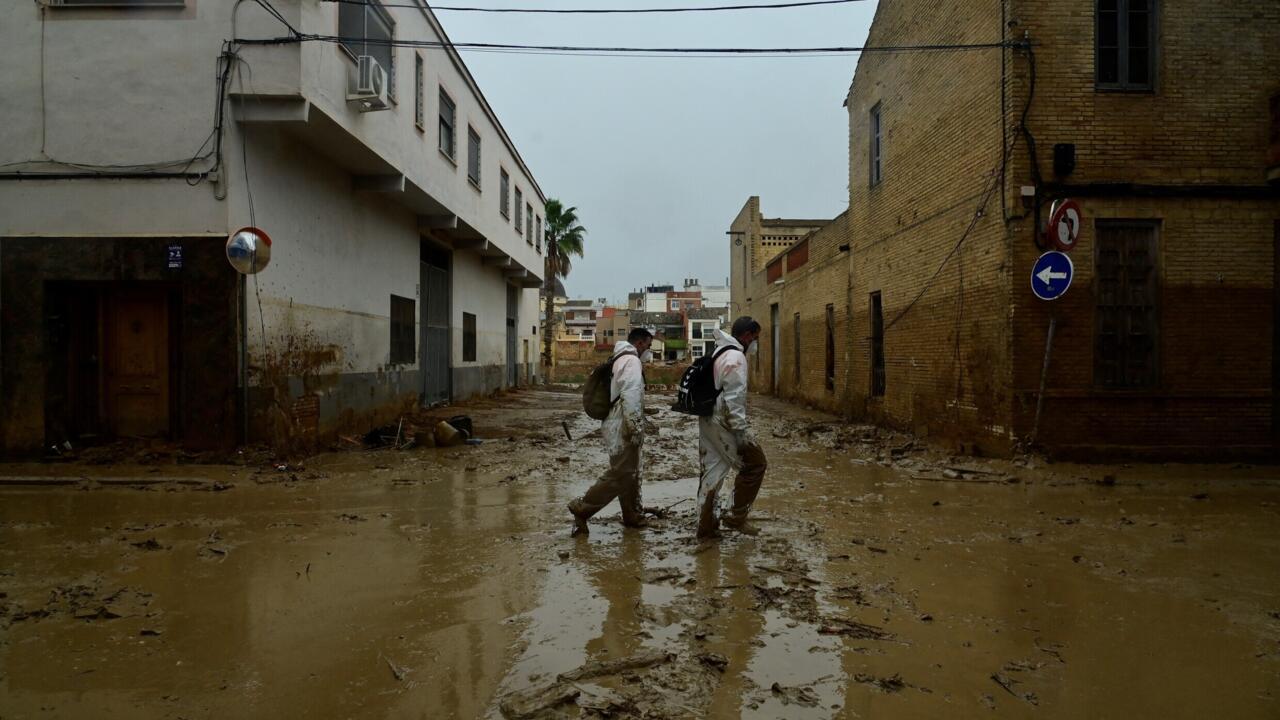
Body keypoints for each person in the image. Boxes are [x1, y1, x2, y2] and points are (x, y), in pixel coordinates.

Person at [568, 327, 655, 536]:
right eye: (649, 346)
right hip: (622, 425)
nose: (649, 351)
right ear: (641, 343)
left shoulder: (619, 358)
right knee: (622, 473)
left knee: (629, 472)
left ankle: (632, 515)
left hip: (615, 422)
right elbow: (631, 395)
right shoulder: (632, 361)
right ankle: (583, 508)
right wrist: (634, 429)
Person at [697, 317, 767, 539]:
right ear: (746, 336)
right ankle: (735, 516)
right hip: (723, 420)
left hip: (708, 418)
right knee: (755, 464)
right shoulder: (736, 357)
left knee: (712, 471)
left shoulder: (720, 351)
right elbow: (734, 398)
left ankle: (706, 527)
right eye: (755, 338)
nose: (755, 343)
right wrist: (740, 434)